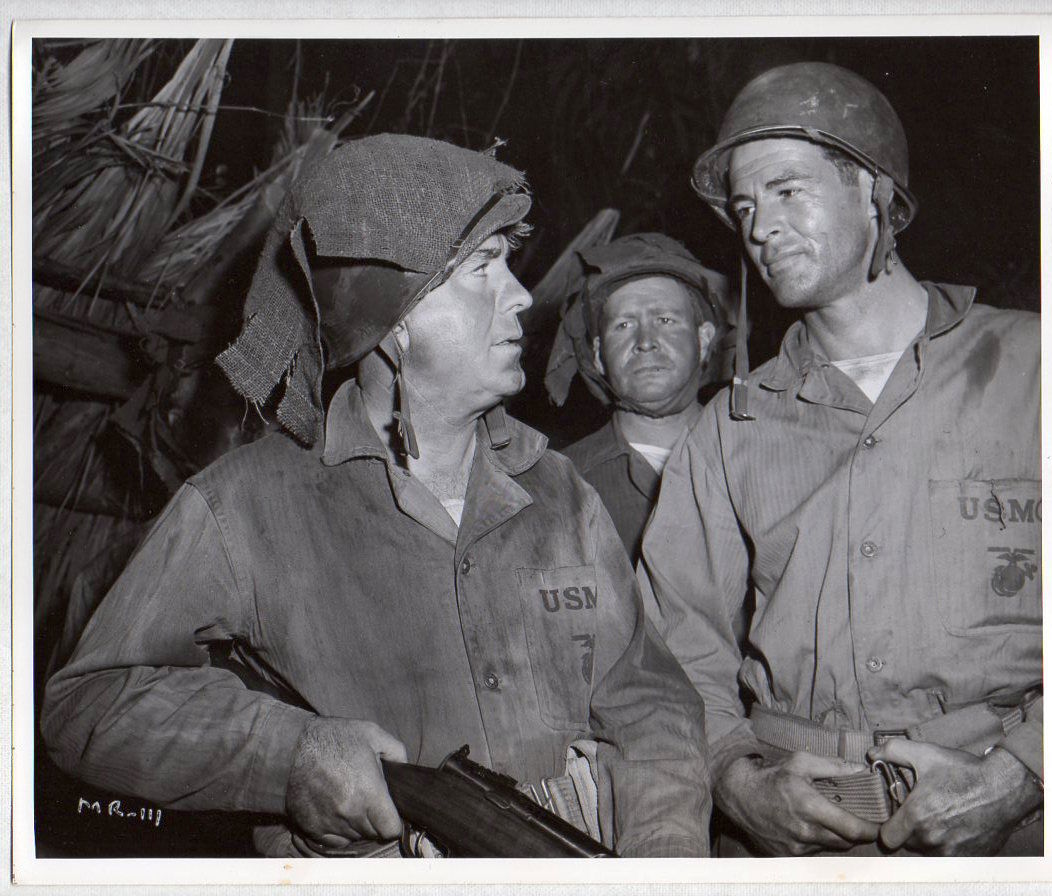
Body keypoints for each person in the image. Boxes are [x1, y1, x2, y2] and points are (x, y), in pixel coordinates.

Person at [41, 134, 711, 858]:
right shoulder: (247, 503)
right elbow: (91, 704)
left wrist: (663, 855)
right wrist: (292, 756)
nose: (521, 295)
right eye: (484, 269)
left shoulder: (558, 490)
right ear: (394, 320)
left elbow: (649, 703)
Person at [640, 62, 1042, 857]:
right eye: (746, 205)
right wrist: (732, 777)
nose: (758, 227)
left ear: (874, 192)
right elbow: (674, 652)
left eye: (788, 190)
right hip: (798, 841)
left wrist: (1025, 771)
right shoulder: (729, 430)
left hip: (1019, 833)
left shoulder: (1039, 368)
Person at [544, 234, 733, 562]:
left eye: (665, 320)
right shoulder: (560, 486)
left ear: (703, 340)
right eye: (624, 325)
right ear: (599, 355)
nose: (646, 341)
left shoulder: (751, 453)